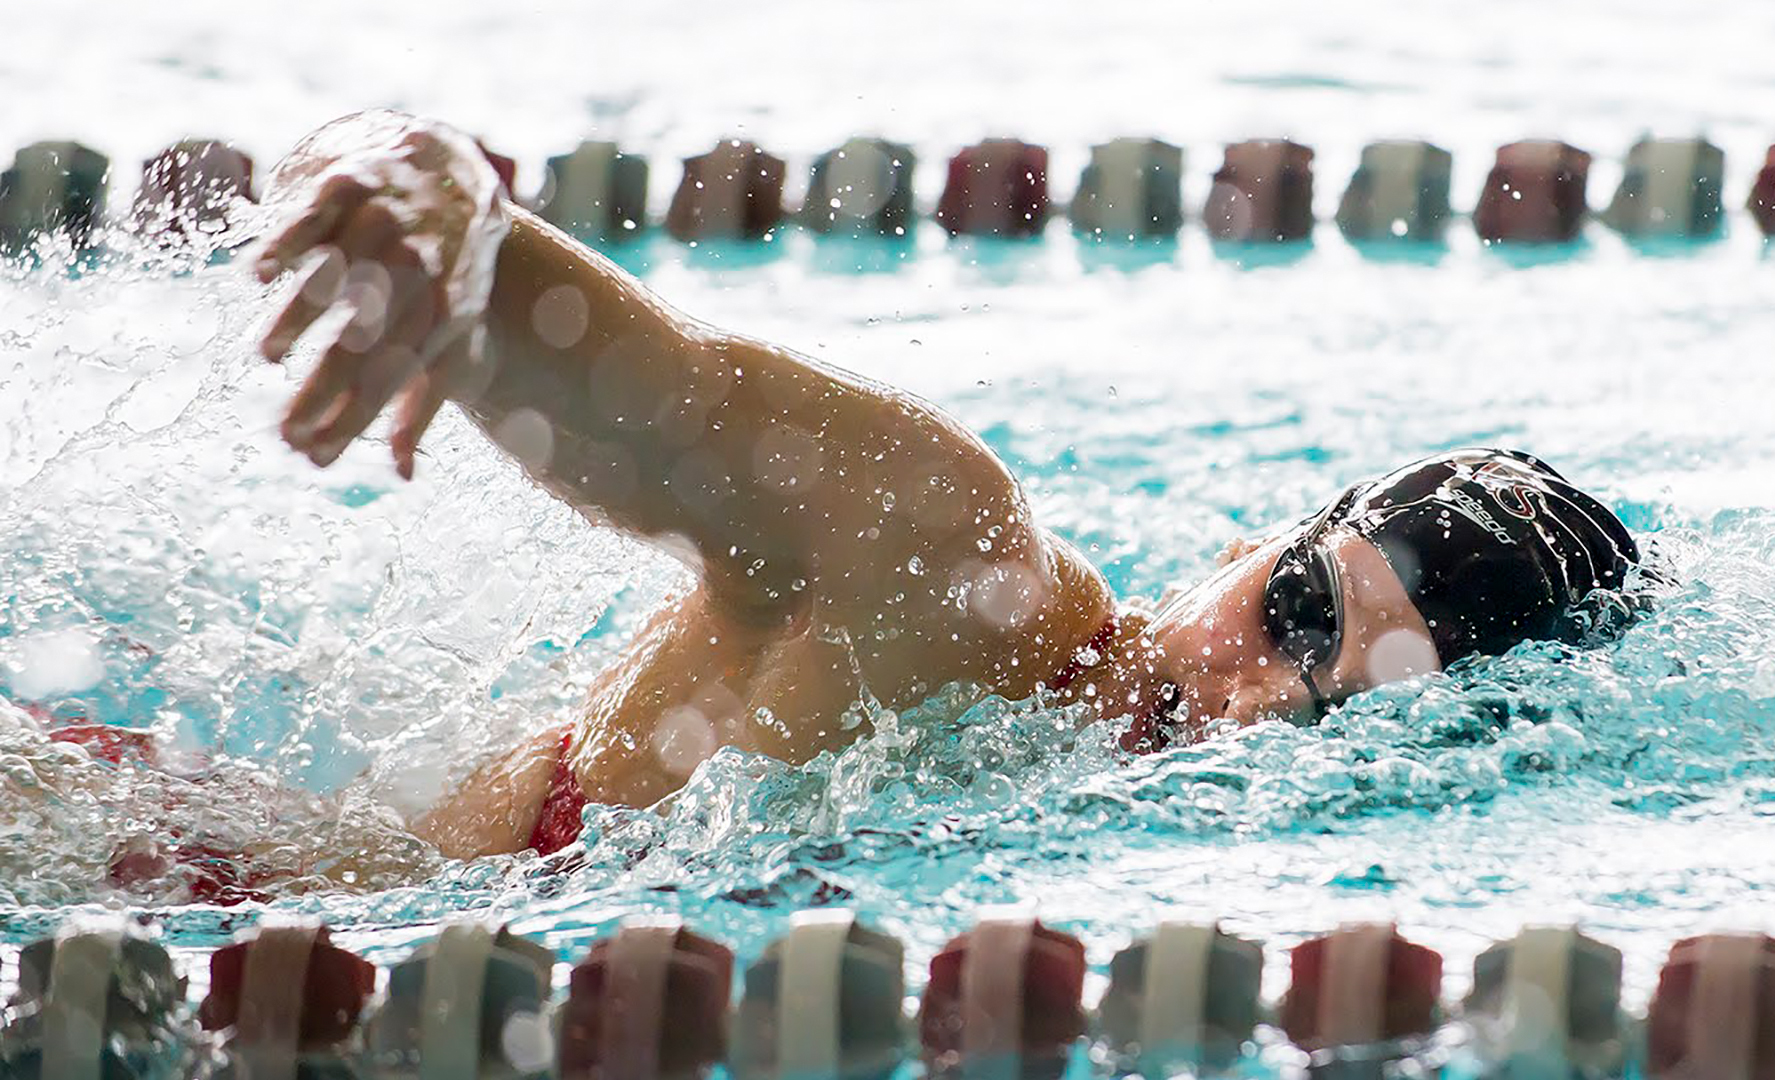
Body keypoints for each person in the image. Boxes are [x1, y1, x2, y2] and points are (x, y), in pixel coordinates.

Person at [249, 112, 1643, 861]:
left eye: (1346, 711)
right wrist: (453, 220)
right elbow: (666, 405)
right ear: (1238, 542)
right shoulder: (945, 554)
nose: (1266, 701)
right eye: (1293, 612)